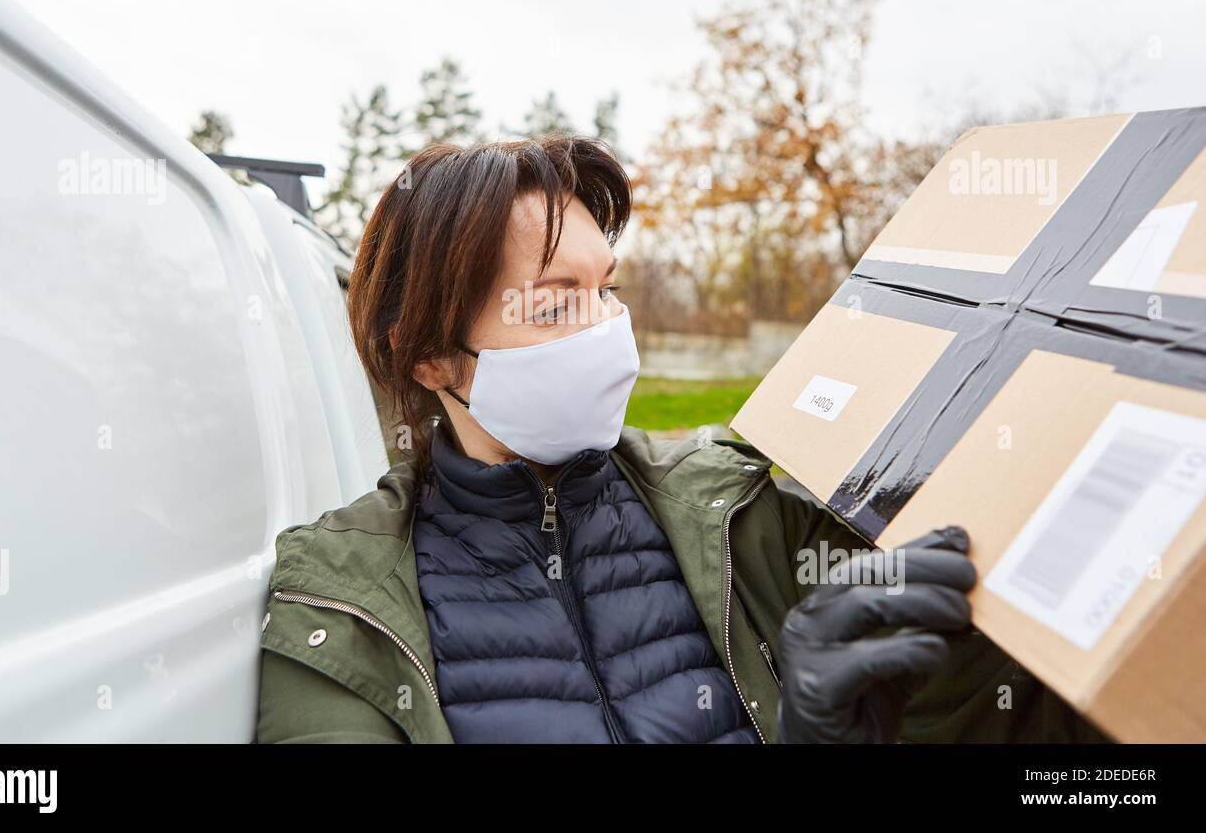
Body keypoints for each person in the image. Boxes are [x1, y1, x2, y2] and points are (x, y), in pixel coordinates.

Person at [256, 134, 1105, 744]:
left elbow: (1020, 710)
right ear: (432, 356)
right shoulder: (341, 611)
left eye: (607, 291)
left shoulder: (742, 517)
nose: (606, 333)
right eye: (554, 305)